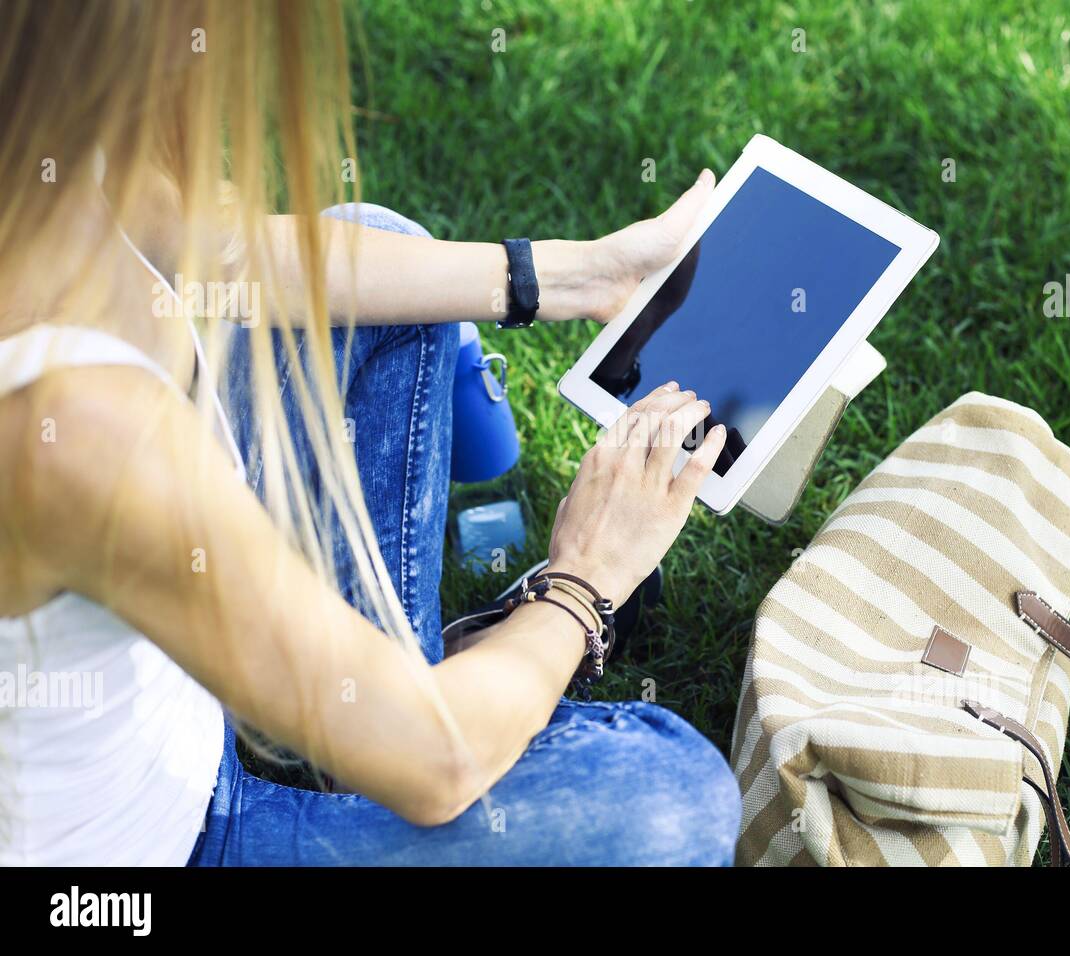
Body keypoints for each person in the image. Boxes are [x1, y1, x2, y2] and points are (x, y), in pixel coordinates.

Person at [0, 0, 740, 866]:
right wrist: (587, 575)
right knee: (669, 801)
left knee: (374, 253)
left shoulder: (46, 144)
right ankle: (391, 714)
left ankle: (369, 711)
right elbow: (439, 765)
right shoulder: (76, 429)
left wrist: (578, 275)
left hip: (178, 686)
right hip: (175, 838)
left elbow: (225, 259)